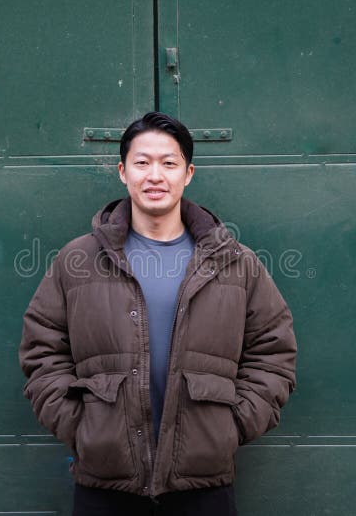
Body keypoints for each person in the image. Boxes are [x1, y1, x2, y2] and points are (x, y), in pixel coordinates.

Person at [19, 112, 297, 516]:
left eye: (169, 163)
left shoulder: (236, 264)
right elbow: (41, 350)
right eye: (142, 162)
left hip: (203, 484)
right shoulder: (77, 260)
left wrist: (228, 429)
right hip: (105, 482)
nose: (155, 175)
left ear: (188, 174)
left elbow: (273, 352)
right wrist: (82, 429)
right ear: (122, 171)